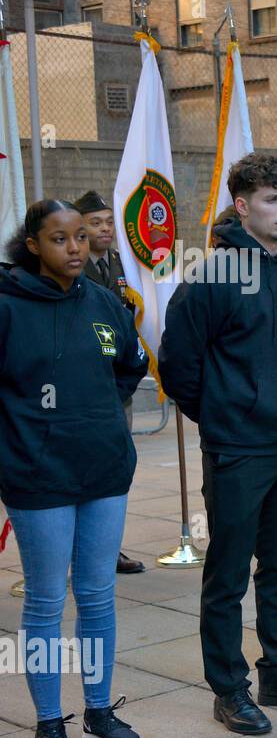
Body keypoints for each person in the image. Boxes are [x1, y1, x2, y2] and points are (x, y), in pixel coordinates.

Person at [159, 153, 277, 735]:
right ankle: (229, 688)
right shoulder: (210, 279)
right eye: (270, 199)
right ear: (241, 205)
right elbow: (178, 365)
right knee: (229, 573)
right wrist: (224, 417)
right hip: (238, 450)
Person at [0, 200, 148, 738]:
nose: (76, 248)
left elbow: (130, 366)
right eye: (61, 238)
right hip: (38, 478)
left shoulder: (106, 303)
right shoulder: (9, 308)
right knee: (44, 601)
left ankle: (96, 713)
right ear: (33, 245)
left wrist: (96, 414)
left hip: (104, 471)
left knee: (96, 596)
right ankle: (46, 724)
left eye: (82, 237)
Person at [72, 189, 146, 575]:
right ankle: (74, 551)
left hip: (119, 386)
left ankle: (108, 548)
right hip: (83, 387)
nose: (105, 229)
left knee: (115, 468)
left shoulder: (122, 265)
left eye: (108, 221)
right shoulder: (71, 267)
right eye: (95, 223)